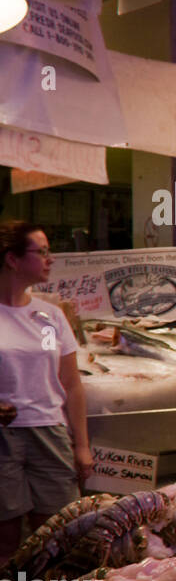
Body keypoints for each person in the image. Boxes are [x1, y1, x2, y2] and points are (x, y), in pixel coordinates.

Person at [0, 221, 92, 560]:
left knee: (56, 531)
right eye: (42, 252)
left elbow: (70, 383)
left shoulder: (49, 316)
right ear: (13, 259)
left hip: (50, 432)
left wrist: (81, 445)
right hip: (3, 437)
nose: (50, 259)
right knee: (5, 535)